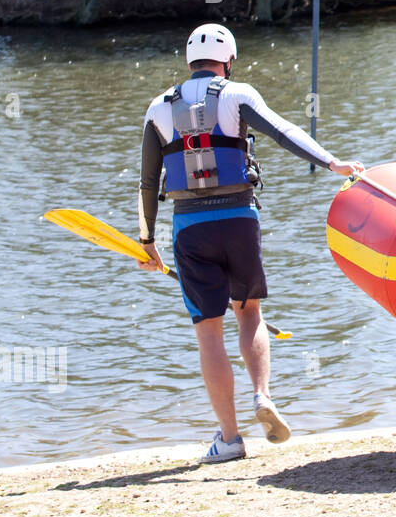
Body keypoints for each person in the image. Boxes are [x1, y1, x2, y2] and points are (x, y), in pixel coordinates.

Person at [138, 23, 363, 463]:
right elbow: (283, 132)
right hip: (240, 218)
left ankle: (228, 438)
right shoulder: (238, 94)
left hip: (190, 227)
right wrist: (331, 162)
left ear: (188, 62)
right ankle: (263, 396)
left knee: (208, 332)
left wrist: (147, 240)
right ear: (229, 58)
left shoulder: (157, 107)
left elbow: (148, 181)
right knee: (250, 311)